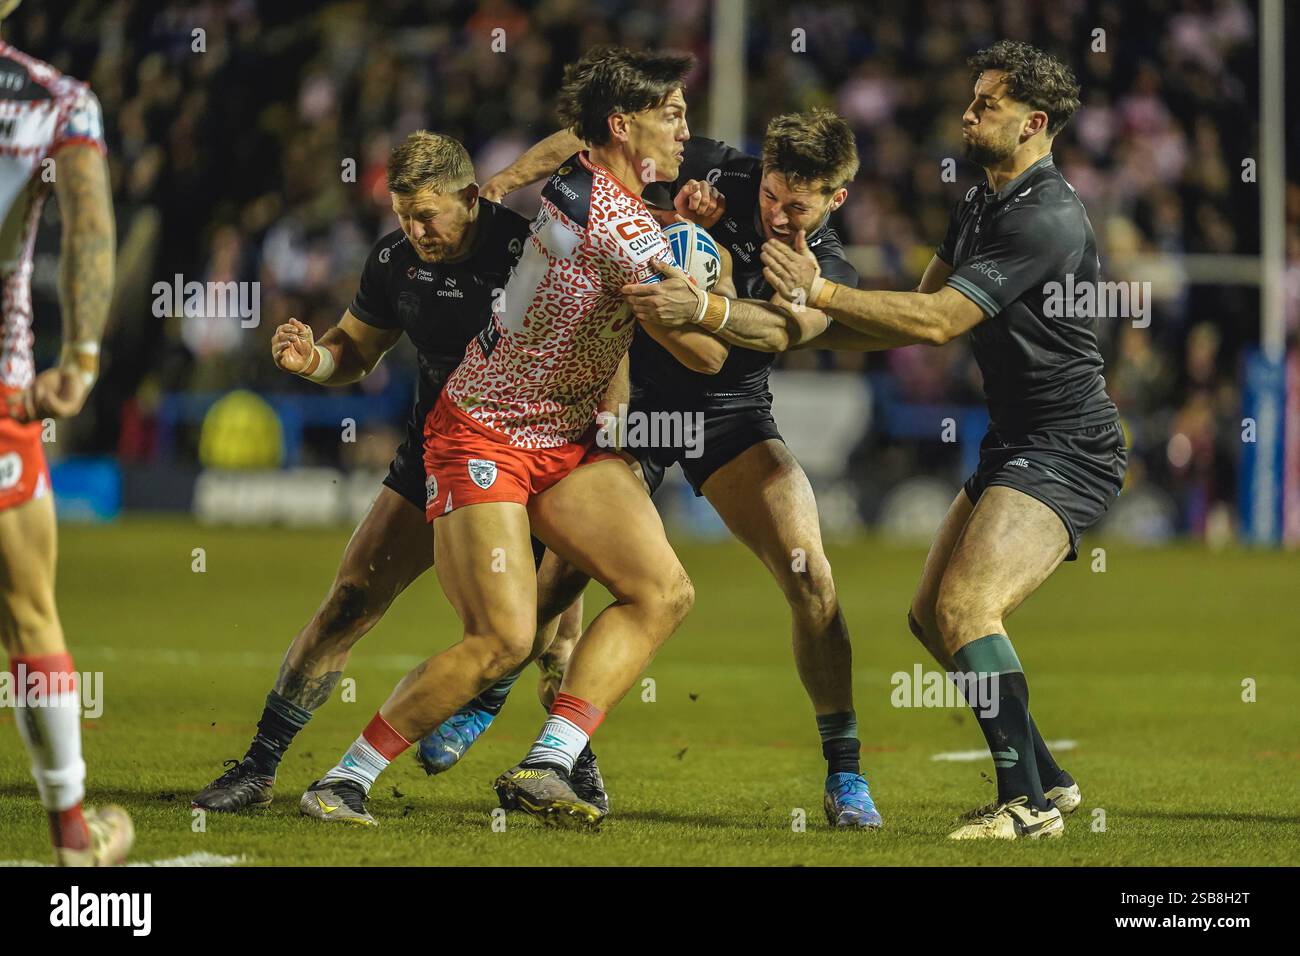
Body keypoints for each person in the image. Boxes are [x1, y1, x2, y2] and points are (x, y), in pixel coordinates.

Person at [665, 40, 1125, 840]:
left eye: (988, 104)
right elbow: (910, 324)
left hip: (1068, 443)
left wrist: (822, 289)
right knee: (928, 616)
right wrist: (799, 326)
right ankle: (1047, 775)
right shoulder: (983, 199)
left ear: (1034, 123)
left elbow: (944, 319)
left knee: (967, 607)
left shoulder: (1046, 212)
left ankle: (1025, 804)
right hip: (1017, 440)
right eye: (974, 98)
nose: (969, 113)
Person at [301, 47, 722, 829]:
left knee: (662, 591)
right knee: (502, 638)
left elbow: (574, 139)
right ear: (625, 128)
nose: (686, 130)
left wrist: (503, 182)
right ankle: (343, 780)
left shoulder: (578, 183)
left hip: (561, 439)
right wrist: (718, 301)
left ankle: (547, 762)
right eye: (673, 114)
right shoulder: (625, 231)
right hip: (482, 437)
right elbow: (705, 354)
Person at [452, 107, 884, 828]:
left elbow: (792, 329)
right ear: (763, 166)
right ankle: (498, 697)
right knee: (563, 571)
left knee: (811, 575)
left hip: (731, 411)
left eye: (798, 205)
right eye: (773, 192)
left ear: (835, 200)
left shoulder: (827, 263)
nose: (777, 210)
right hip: (638, 398)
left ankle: (846, 774)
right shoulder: (717, 169)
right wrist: (504, 183)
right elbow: (593, 139)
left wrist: (708, 301)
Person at [192, 131, 607, 812]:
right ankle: (258, 767)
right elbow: (356, 349)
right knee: (352, 599)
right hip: (436, 454)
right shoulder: (393, 260)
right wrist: (314, 362)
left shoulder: (532, 250)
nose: (416, 230)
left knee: (554, 630)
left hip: (535, 458)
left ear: (472, 199)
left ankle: (568, 764)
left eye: (429, 216)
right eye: (404, 215)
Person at [0, 5, 132, 865]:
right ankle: (74, 837)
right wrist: (80, 359)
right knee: (29, 611)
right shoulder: (56, 101)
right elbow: (88, 221)